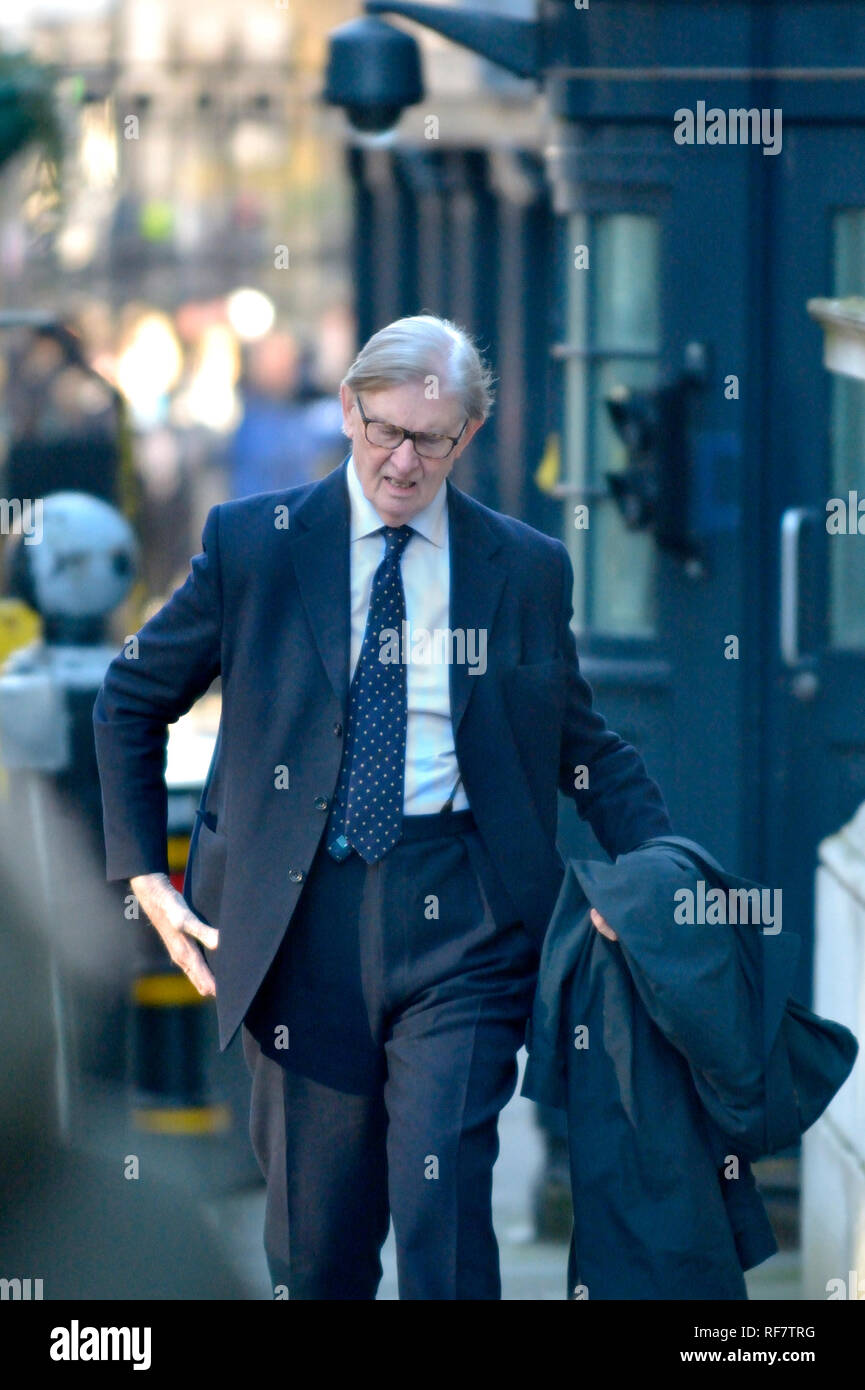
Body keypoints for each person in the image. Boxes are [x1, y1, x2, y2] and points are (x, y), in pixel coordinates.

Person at [92, 313, 672, 1300]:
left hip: (465, 925)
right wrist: (146, 874)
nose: (403, 460)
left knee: (442, 1220)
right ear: (352, 410)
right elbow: (132, 696)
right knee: (317, 1255)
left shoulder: (522, 568)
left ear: (468, 435)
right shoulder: (256, 544)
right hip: (295, 921)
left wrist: (657, 874)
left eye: (431, 439)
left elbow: (577, 743)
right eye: (384, 431)